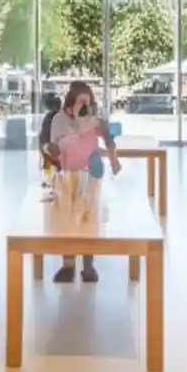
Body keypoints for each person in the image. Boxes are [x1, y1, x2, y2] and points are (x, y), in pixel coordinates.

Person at [49, 81, 120, 283]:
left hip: (90, 177)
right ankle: (68, 265)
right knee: (68, 220)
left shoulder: (94, 121)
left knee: (90, 217)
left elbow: (108, 137)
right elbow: (54, 147)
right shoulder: (60, 120)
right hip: (67, 177)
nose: (85, 108)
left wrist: (114, 159)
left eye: (88, 104)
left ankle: (88, 266)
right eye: (81, 103)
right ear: (70, 104)